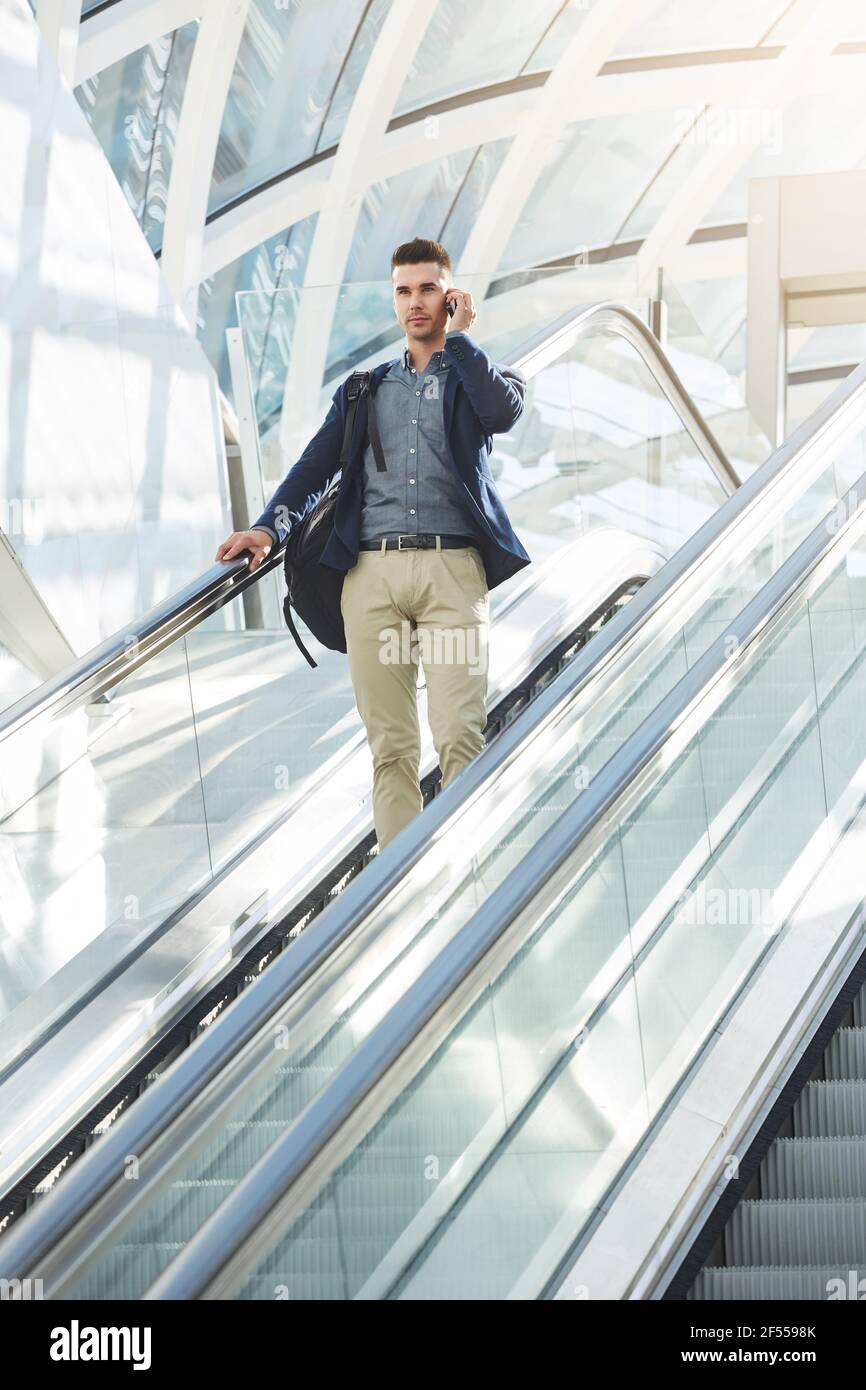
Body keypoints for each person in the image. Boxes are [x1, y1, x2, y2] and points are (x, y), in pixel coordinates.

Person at [216, 236, 530, 849]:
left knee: (461, 734)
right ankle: (396, 905)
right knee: (391, 749)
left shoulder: (478, 377)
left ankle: (462, 883)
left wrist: (463, 339)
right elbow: (314, 469)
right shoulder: (364, 390)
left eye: (429, 289)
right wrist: (267, 527)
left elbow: (502, 412)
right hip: (373, 581)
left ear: (451, 294)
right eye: (404, 291)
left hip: (451, 574)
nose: (416, 303)